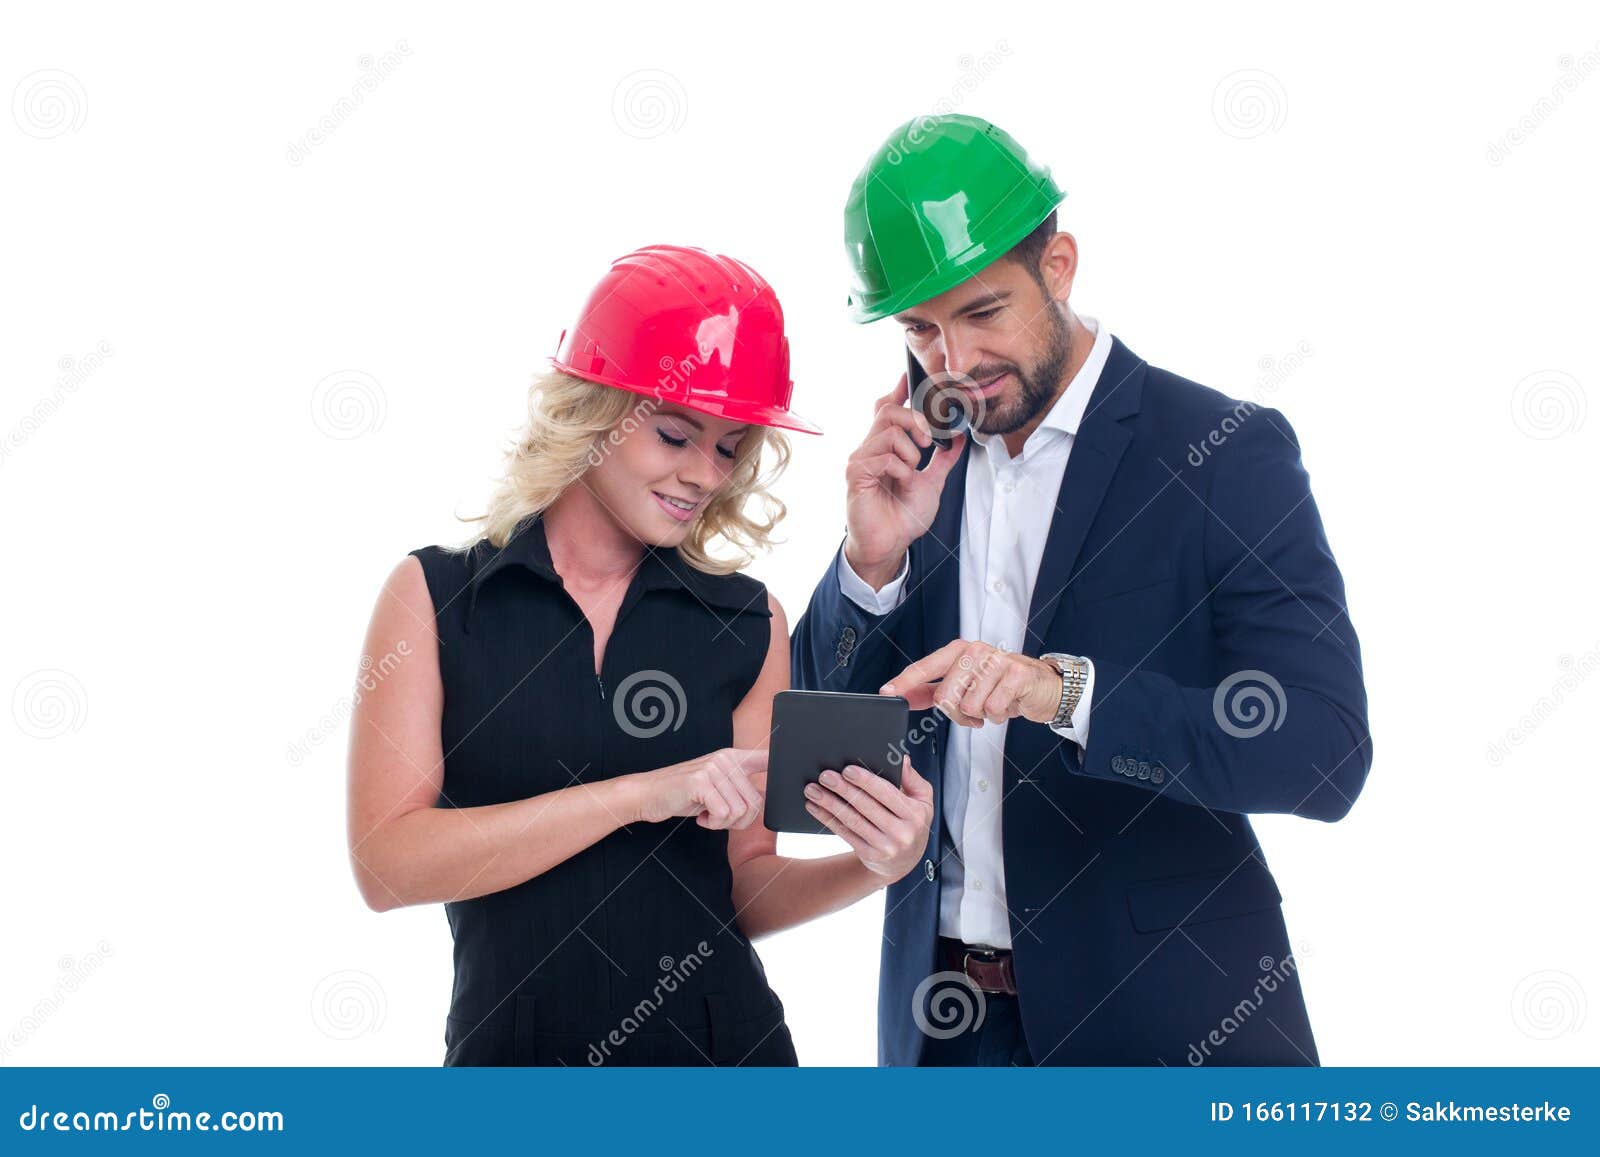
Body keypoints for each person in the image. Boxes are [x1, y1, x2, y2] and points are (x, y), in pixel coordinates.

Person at [792, 116, 1373, 1066]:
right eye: (921, 330)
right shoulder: (914, 463)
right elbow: (826, 726)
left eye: (983, 313)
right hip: (941, 1034)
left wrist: (1061, 695)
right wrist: (872, 559)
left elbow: (1323, 751)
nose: (954, 364)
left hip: (1164, 1026)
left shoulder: (1225, 453)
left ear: (1058, 264)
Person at [347, 244, 934, 1066]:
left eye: (730, 447)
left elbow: (746, 887)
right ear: (595, 412)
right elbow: (389, 868)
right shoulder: (437, 598)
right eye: (674, 434)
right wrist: (638, 795)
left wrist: (880, 864)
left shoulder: (745, 620)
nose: (704, 474)